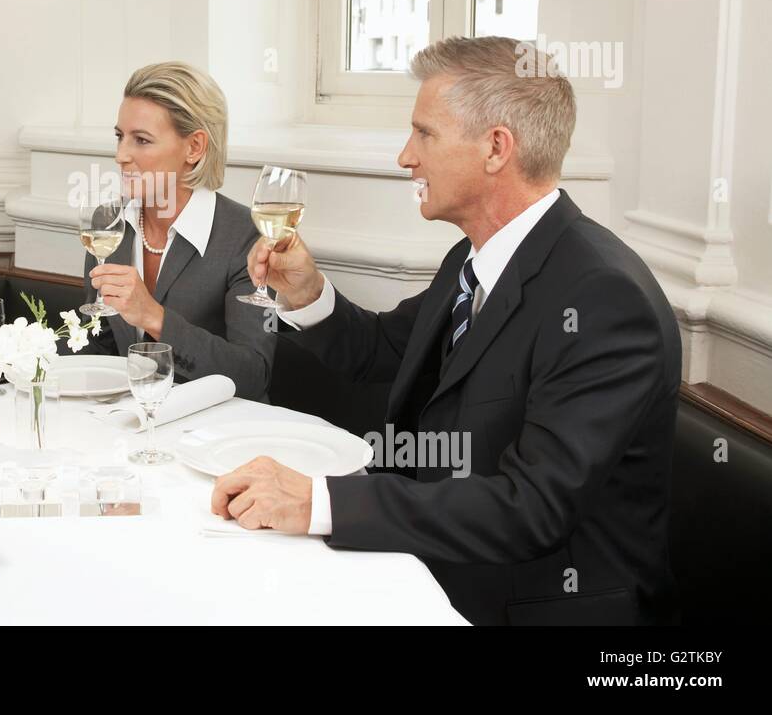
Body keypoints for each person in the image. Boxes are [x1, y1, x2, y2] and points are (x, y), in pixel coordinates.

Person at [211, 36, 680, 625]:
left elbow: (530, 508)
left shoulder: (604, 298)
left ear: (495, 148)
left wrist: (320, 501)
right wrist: (305, 292)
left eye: (424, 133)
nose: (406, 156)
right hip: (439, 566)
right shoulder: (473, 256)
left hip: (535, 607)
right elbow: (382, 350)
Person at [81, 62, 274, 399]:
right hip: (132, 429)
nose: (120, 155)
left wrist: (154, 317)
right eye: (119, 136)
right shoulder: (108, 224)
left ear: (195, 147)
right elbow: (98, 344)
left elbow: (252, 375)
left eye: (141, 140)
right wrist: (3, 346)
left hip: (220, 433)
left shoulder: (248, 236)